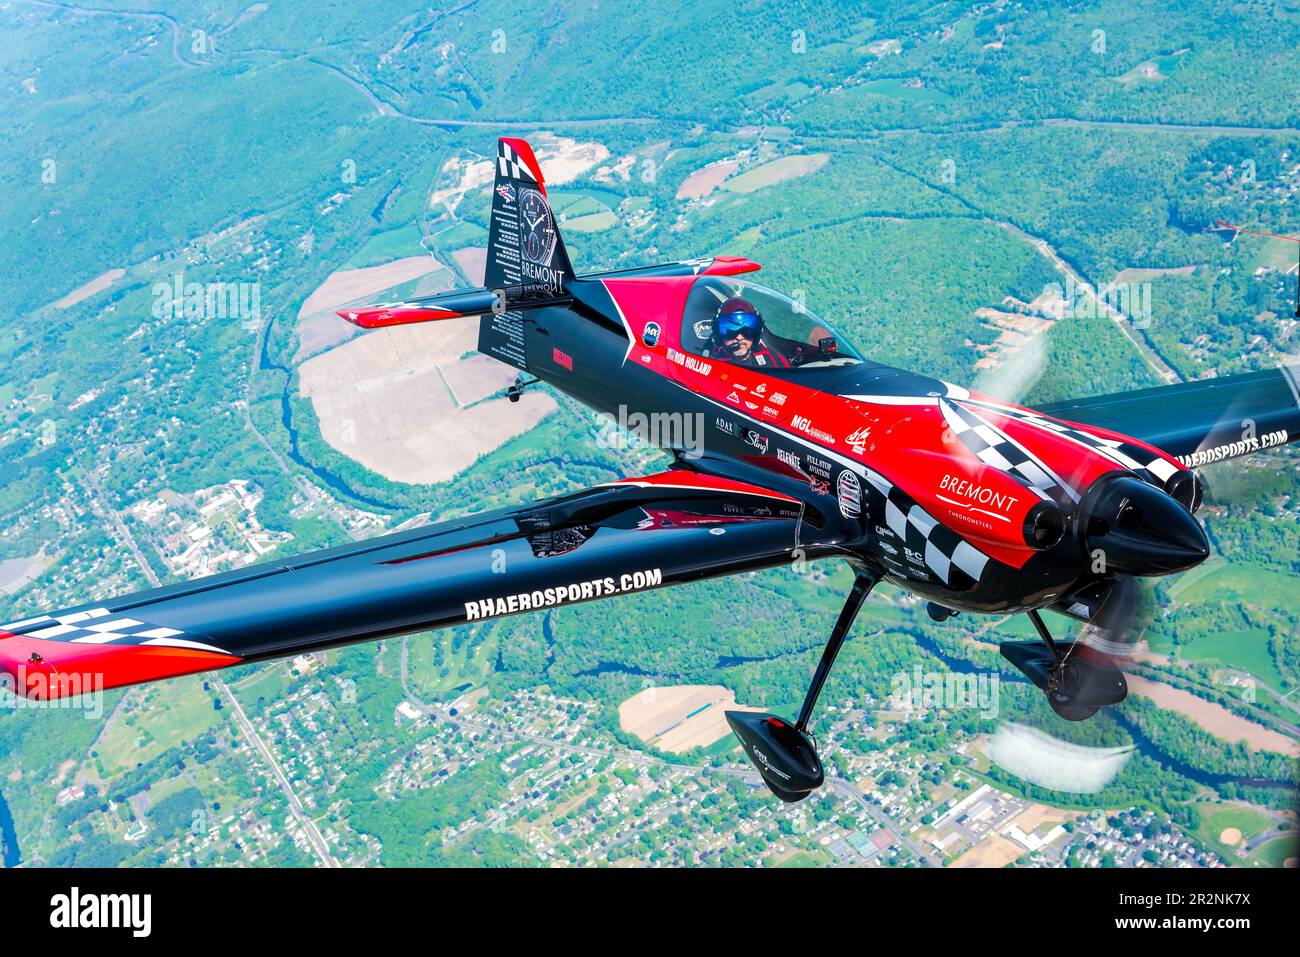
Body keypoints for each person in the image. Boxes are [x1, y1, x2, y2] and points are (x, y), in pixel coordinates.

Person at [709, 297, 788, 368]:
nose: (739, 338)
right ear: (718, 334)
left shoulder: (771, 358)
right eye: (731, 332)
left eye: (747, 331)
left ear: (757, 333)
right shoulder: (711, 364)